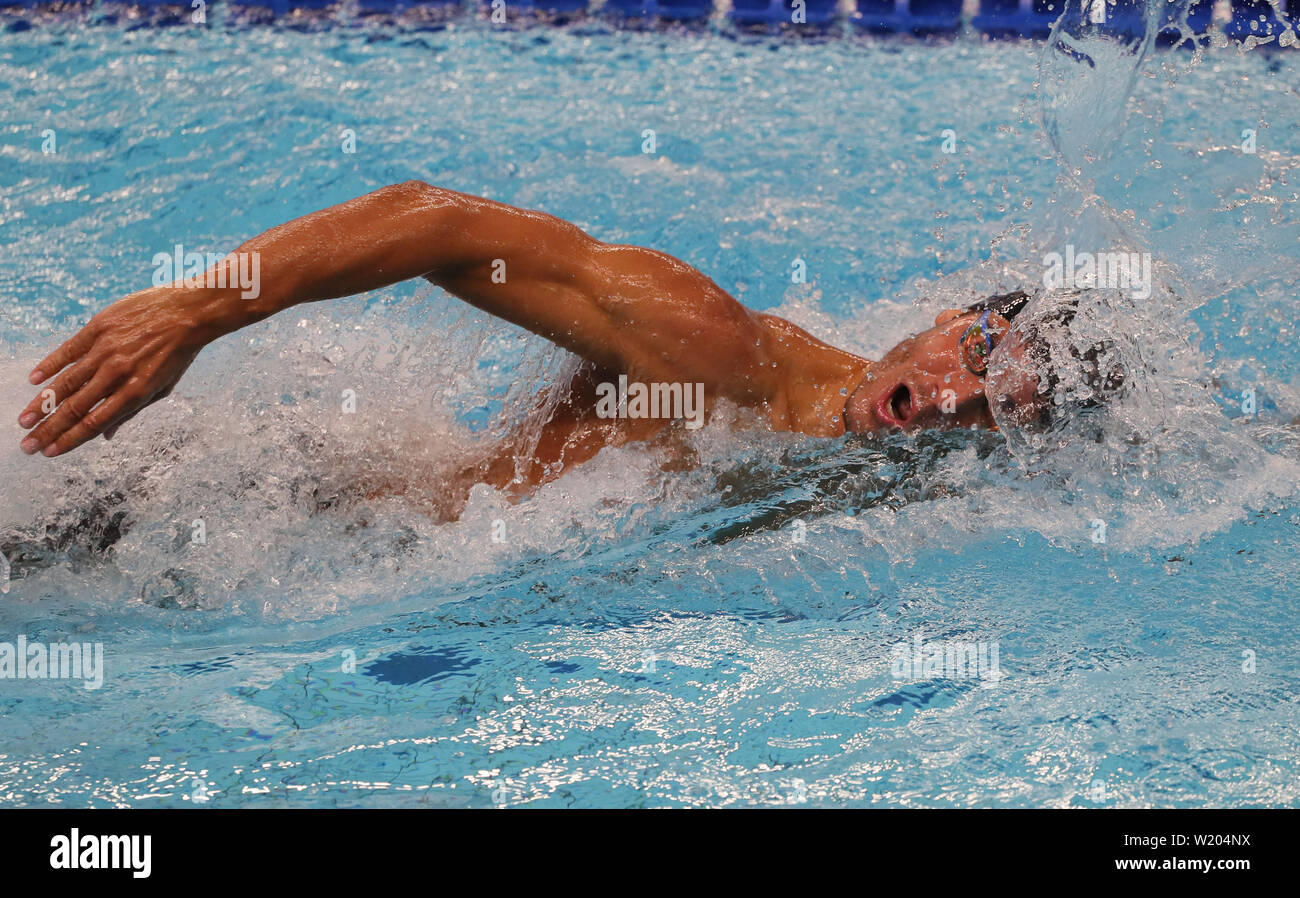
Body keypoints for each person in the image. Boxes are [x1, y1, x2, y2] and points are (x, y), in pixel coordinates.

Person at [15, 181, 1116, 511]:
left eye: (992, 408)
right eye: (968, 356)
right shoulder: (713, 350)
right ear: (945, 315)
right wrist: (201, 310)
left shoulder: (920, 470)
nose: (947, 400)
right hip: (257, 515)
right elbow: (446, 227)